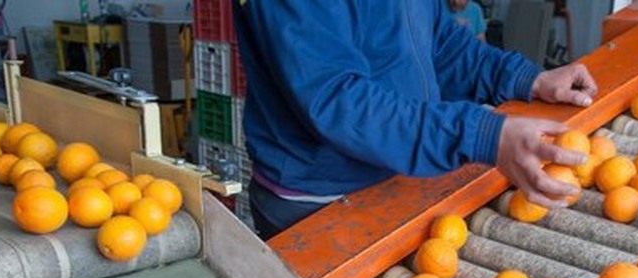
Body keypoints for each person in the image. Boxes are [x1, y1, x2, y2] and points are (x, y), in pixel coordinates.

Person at [233, 0, 597, 240]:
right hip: (319, 199)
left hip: (400, 170)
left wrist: (523, 78)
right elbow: (337, 100)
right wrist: (477, 134)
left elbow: (438, 42)